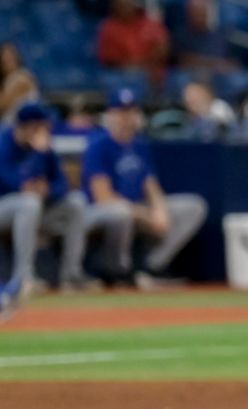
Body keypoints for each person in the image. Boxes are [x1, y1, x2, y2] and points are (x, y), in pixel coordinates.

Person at [82, 88, 208, 285]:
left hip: (136, 206)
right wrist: (145, 215)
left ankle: (152, 267)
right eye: (121, 112)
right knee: (120, 212)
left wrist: (160, 211)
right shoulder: (99, 145)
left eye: (131, 112)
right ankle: (118, 271)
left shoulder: (139, 145)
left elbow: (150, 183)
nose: (127, 118)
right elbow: (103, 196)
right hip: (102, 211)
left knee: (194, 206)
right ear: (111, 115)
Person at [0, 103, 100, 299]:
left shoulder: (44, 148)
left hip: (31, 212)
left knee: (76, 202)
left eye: (43, 126)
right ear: (23, 126)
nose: (43, 131)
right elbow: (16, 184)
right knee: (29, 202)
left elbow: (62, 185)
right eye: (37, 127)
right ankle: (24, 277)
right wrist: (39, 155)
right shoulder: (1, 146)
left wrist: (47, 189)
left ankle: (71, 275)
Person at [97, 0, 169, 79]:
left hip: (153, 76)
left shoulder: (150, 23)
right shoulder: (108, 28)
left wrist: (144, 64)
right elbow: (110, 61)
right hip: (122, 76)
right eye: (122, 3)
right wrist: (134, 67)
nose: (126, 6)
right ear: (115, 6)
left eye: (129, 2)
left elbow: (163, 48)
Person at [0, 42, 39, 123]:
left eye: (11, 57)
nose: (8, 61)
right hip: (7, 125)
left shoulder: (23, 77)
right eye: (5, 58)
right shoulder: (4, 81)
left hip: (26, 126)